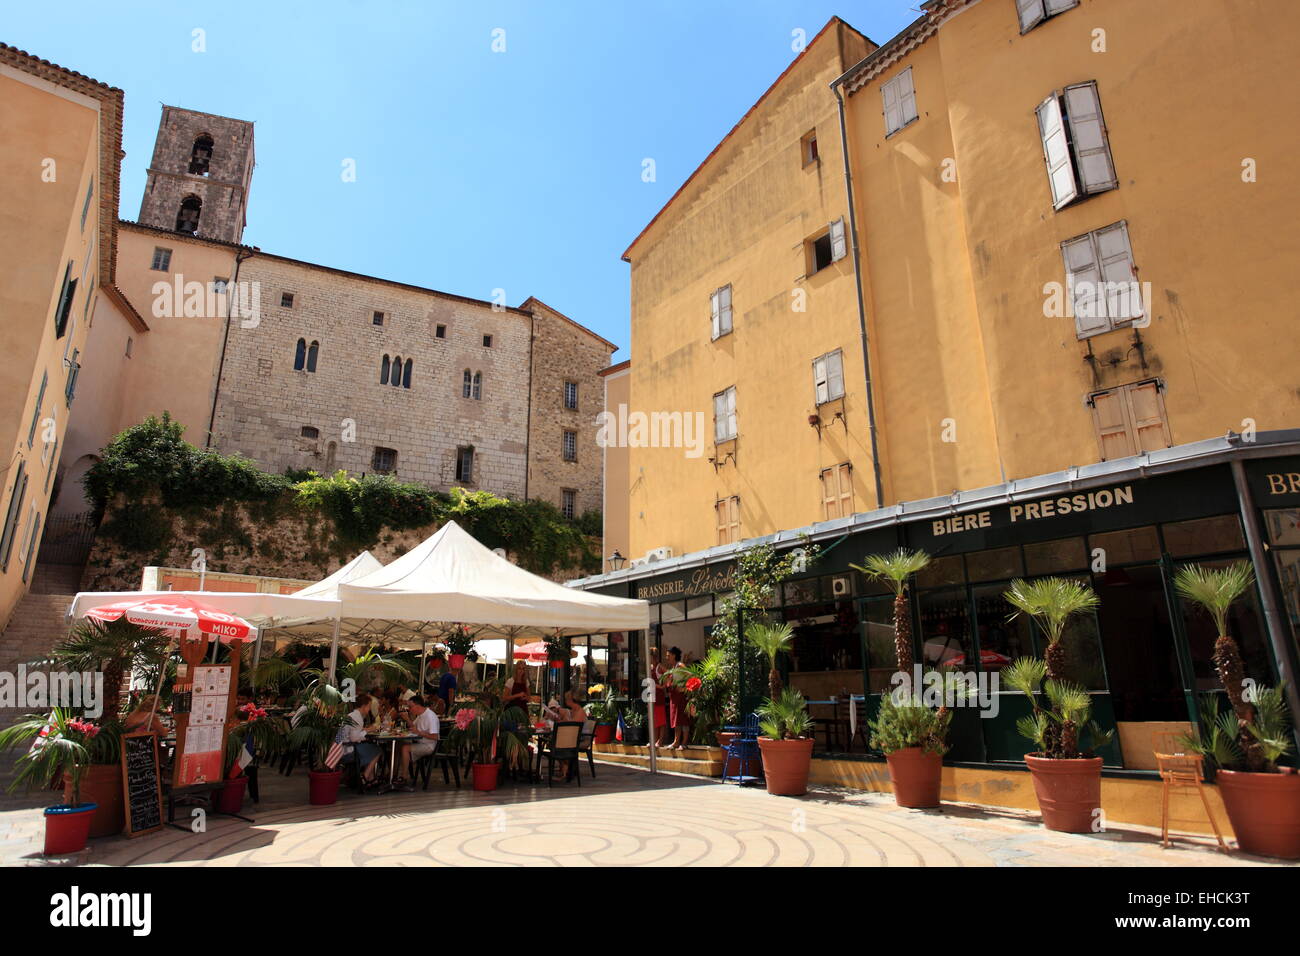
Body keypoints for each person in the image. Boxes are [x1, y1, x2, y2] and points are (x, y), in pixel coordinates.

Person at [339, 694, 383, 786]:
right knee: (377, 750)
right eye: (369, 706)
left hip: (342, 748)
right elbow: (354, 738)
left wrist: (365, 730)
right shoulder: (357, 717)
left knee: (371, 748)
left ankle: (371, 779)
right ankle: (365, 777)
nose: (369, 709)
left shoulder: (352, 714)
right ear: (364, 706)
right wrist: (369, 730)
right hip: (348, 750)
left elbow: (353, 732)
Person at [402, 695, 440, 779]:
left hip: (429, 746)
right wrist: (407, 719)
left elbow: (435, 737)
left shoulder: (430, 716)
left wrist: (419, 733)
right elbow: (413, 727)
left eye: (410, 707)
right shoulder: (420, 715)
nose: (409, 709)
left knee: (405, 748)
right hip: (420, 743)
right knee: (399, 745)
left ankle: (403, 777)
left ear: (418, 706)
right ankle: (394, 775)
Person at [662, 646, 689, 751]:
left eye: (668, 656)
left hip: (681, 697)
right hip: (674, 699)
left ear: (674, 655)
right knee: (676, 721)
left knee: (683, 720)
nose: (667, 657)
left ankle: (684, 742)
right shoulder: (672, 669)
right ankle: (676, 741)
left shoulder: (680, 665)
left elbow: (689, 676)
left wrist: (683, 688)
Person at [647, 648, 670, 747]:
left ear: (654, 656)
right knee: (654, 719)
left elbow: (670, 674)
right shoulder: (651, 667)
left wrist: (662, 686)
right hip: (651, 695)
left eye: (650, 656)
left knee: (661, 719)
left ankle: (660, 741)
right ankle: (654, 740)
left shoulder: (659, 666)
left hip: (659, 695)